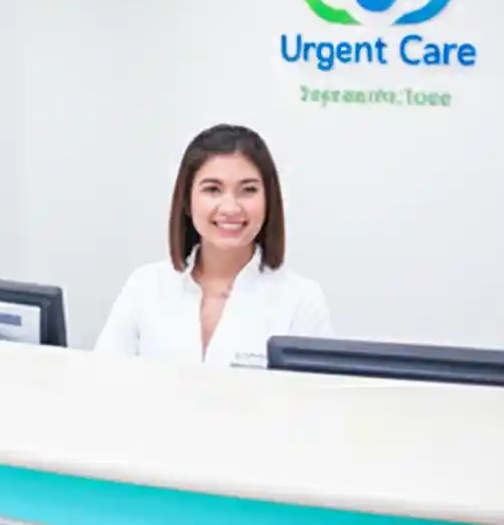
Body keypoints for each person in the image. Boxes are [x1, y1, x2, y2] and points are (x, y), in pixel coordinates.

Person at [94, 124, 333, 367]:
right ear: (187, 200)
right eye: (213, 189)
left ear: (268, 200)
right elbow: (103, 383)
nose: (230, 207)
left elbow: (314, 400)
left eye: (248, 190)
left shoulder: (300, 300)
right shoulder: (145, 286)